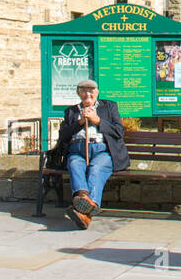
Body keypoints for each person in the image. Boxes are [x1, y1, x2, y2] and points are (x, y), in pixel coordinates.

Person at [54, 78, 128, 229]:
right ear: (78, 93)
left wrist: (98, 120)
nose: (88, 94)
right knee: (74, 164)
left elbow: (119, 132)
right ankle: (85, 202)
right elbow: (64, 135)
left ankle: (83, 210)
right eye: (84, 91)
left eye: (91, 90)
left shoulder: (109, 107)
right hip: (78, 150)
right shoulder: (71, 111)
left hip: (103, 150)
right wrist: (79, 123)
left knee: (96, 168)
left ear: (97, 92)